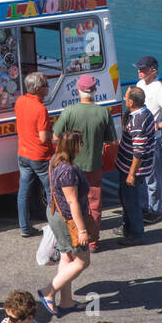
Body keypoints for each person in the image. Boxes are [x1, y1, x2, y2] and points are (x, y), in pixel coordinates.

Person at [52, 75, 117, 251]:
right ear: (94, 91)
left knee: (71, 202)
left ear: (78, 90)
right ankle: (93, 241)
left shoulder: (69, 111)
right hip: (94, 164)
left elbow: (56, 136)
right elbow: (112, 141)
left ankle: (74, 237)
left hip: (71, 165)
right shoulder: (103, 112)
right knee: (94, 204)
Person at [39, 130, 91, 316]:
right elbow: (72, 202)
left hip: (55, 212)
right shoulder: (68, 170)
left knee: (66, 257)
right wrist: (82, 230)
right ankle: (48, 291)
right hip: (67, 220)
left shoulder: (55, 160)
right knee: (83, 261)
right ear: (73, 146)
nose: (81, 147)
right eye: (80, 144)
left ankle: (67, 302)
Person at [135, 55, 162, 223]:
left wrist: (158, 126)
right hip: (138, 138)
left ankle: (155, 211)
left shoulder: (158, 88)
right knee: (139, 176)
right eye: (138, 68)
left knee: (151, 178)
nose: (139, 71)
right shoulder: (139, 85)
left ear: (153, 71)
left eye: (143, 69)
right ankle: (144, 207)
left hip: (152, 140)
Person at [15, 72, 54, 237]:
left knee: (23, 192)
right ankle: (55, 227)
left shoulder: (20, 101)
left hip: (23, 154)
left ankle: (25, 227)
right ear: (38, 89)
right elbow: (44, 137)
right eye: (46, 85)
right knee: (52, 192)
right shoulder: (40, 109)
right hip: (40, 157)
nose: (48, 87)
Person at [116, 86, 154, 245]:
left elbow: (138, 151)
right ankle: (128, 228)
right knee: (126, 198)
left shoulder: (138, 121)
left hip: (132, 169)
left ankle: (136, 234)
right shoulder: (143, 114)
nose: (124, 99)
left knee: (131, 202)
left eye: (126, 98)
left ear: (131, 102)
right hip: (127, 166)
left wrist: (132, 173)